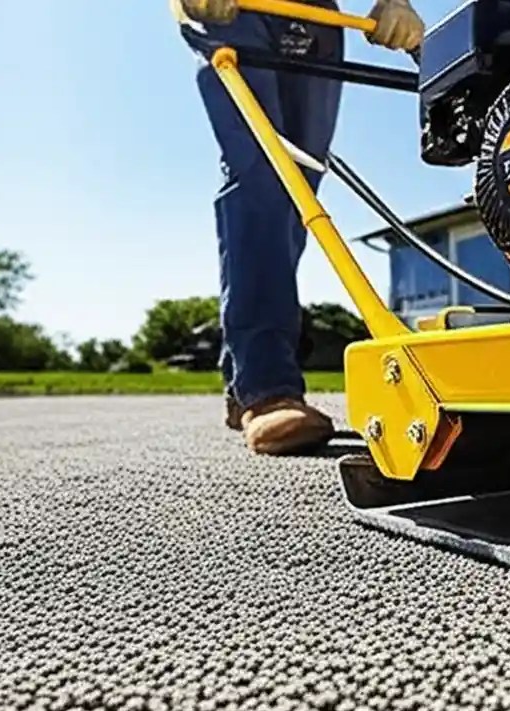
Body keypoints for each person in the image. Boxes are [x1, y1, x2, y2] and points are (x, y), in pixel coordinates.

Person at [170, 0, 424, 455]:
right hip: (239, 11)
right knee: (263, 175)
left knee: (298, 191)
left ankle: (243, 381)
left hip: (318, 16)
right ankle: (267, 389)